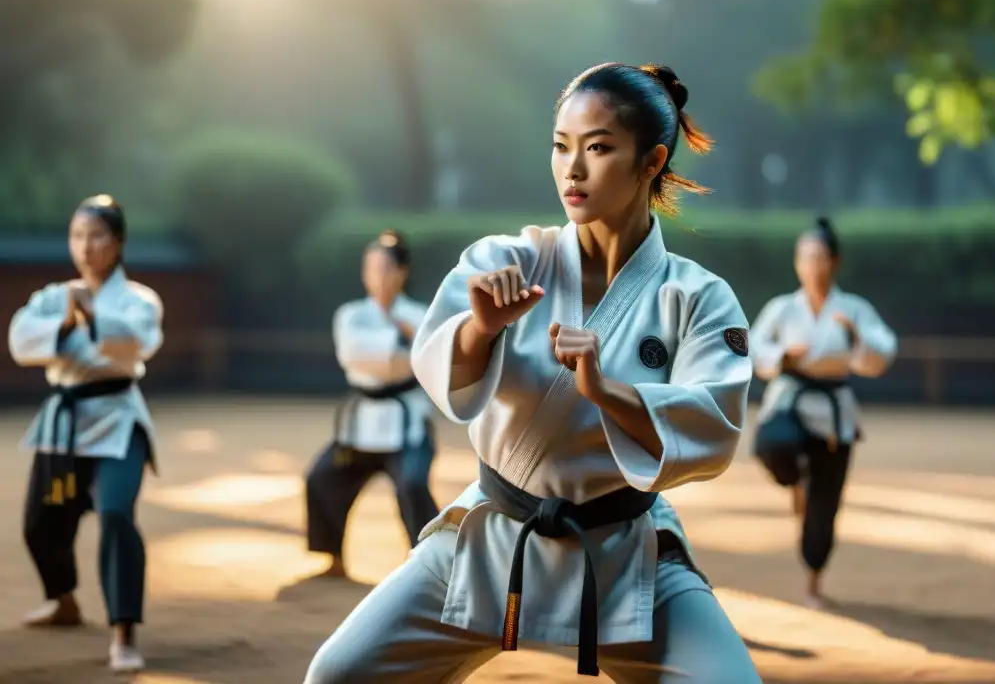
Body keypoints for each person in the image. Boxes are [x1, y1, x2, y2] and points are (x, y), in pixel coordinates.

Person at [304, 63, 763, 683]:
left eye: (597, 148)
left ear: (651, 162)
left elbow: (711, 428)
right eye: (561, 146)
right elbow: (440, 369)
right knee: (339, 674)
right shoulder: (506, 261)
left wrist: (606, 391)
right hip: (493, 538)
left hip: (624, 550)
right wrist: (481, 328)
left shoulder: (698, 297)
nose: (572, 169)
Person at [7, 195, 164, 673]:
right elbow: (20, 339)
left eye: (97, 235)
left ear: (118, 242)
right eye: (77, 236)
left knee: (116, 515)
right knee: (40, 522)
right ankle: (63, 601)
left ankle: (123, 633)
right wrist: (66, 320)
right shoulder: (55, 296)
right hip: (65, 421)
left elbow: (138, 342)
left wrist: (92, 317)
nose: (86, 246)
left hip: (118, 420)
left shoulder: (139, 299)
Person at [749, 217, 897, 609]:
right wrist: (782, 355)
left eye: (819, 257)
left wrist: (855, 339)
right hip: (791, 398)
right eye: (804, 258)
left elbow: (883, 351)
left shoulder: (853, 309)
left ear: (835, 262)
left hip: (833, 410)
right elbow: (752, 345)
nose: (811, 266)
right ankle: (795, 480)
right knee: (769, 445)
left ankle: (813, 578)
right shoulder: (783, 308)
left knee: (825, 502)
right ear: (797, 263)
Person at [304, 230, 440, 579]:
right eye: (371, 268)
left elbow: (426, 359)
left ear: (402, 273)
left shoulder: (422, 314)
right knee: (321, 478)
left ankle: (428, 566)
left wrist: (400, 349)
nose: (378, 276)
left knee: (413, 485)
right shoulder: (350, 314)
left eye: (386, 268)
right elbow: (354, 355)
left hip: (407, 420)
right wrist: (400, 343)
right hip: (361, 423)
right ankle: (333, 557)